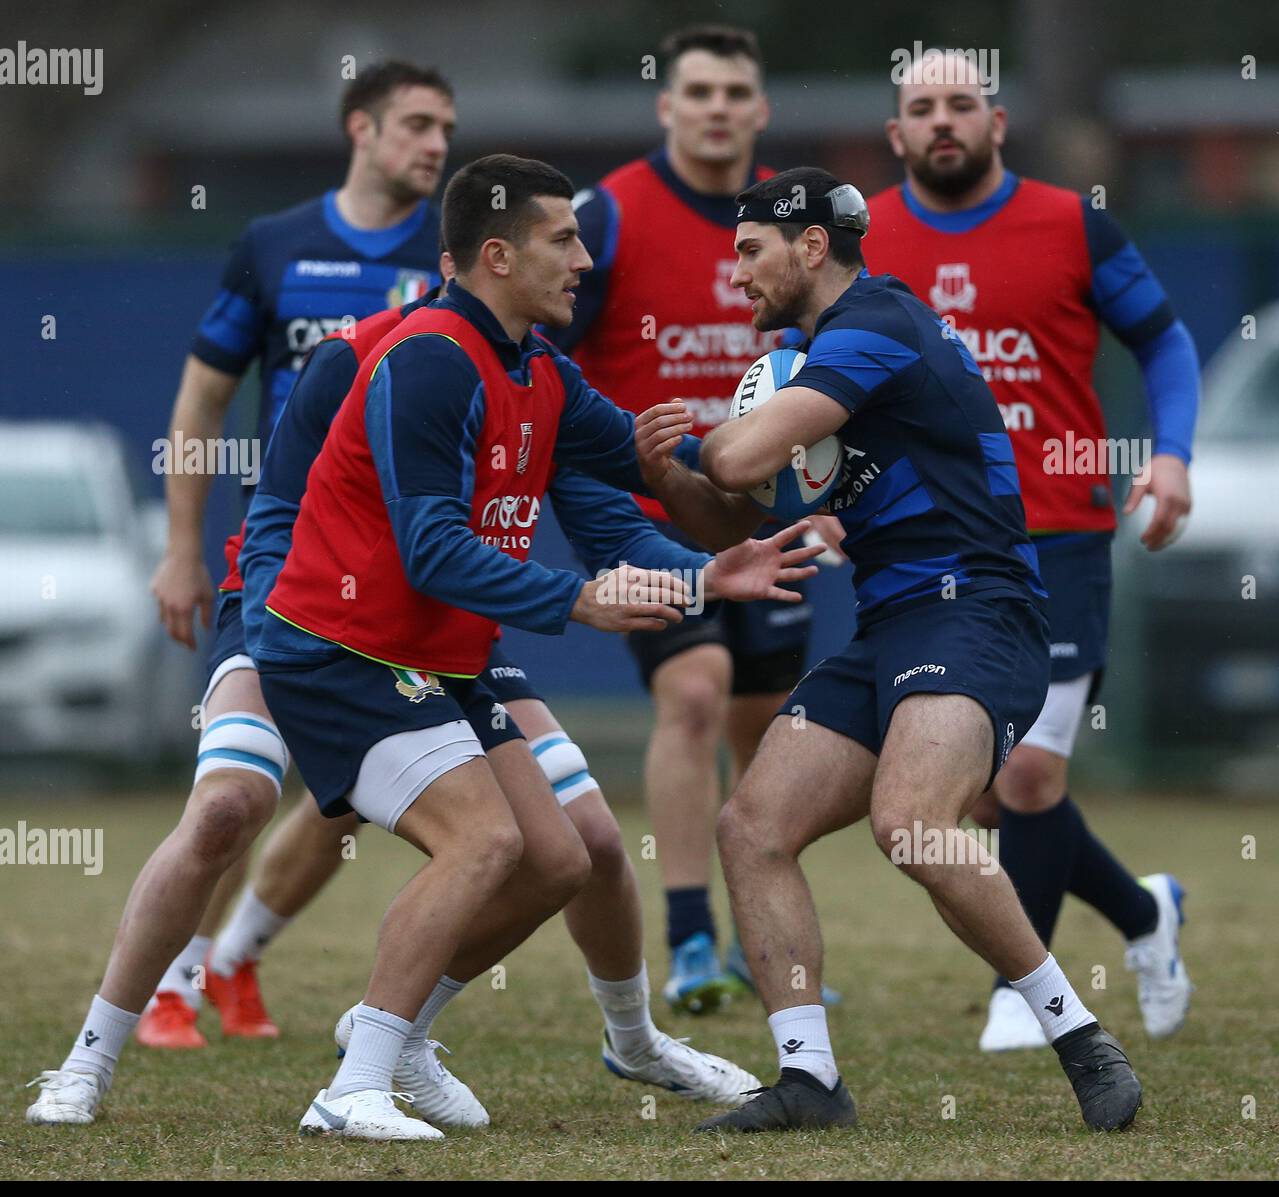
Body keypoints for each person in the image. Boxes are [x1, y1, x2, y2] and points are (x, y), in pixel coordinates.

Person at [24, 154, 817, 1138]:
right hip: (327, 636)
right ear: (490, 257)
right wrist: (577, 600)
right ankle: (134, 1063)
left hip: (436, 645)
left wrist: (730, 533)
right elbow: (420, 545)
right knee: (282, 812)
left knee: (570, 854)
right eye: (564, 240)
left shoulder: (539, 370)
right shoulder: (409, 359)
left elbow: (640, 485)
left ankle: (504, 1038)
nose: (586, 257)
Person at [637, 167, 1144, 1134]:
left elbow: (740, 463)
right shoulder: (811, 360)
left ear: (812, 247)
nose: (735, 275)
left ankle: (1077, 1035)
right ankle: (808, 1079)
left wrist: (703, 443)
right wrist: (655, 467)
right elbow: (720, 520)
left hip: (978, 615)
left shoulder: (877, 323)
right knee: (751, 827)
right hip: (890, 628)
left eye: (749, 251)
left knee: (909, 820)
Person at [864, 49, 1197, 1052]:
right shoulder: (864, 237)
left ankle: (1025, 986)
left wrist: (1171, 455)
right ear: (896, 135)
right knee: (973, 788)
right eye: (921, 108)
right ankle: (1143, 913)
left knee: (1031, 779)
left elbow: (1165, 341)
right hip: (922, 545)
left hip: (1057, 536)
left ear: (996, 122)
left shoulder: (1069, 222)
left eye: (961, 103)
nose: (942, 122)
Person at [140, 60, 455, 1046]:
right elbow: (201, 399)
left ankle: (233, 956)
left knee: (354, 790)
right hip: (287, 551)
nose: (435, 144)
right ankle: (170, 979)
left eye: (446, 126)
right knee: (241, 780)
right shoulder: (275, 246)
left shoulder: (457, 246)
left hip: (403, 556)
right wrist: (181, 549)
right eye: (415, 124)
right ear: (359, 127)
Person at [541, 23, 833, 1013]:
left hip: (767, 512)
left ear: (760, 111)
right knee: (697, 691)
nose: (716, 107)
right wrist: (612, 452)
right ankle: (690, 938)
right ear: (666, 106)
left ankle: (761, 939)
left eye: (733, 92)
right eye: (696, 91)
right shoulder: (610, 213)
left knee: (766, 721)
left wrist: (829, 497)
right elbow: (544, 336)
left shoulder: (796, 227)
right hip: (644, 509)